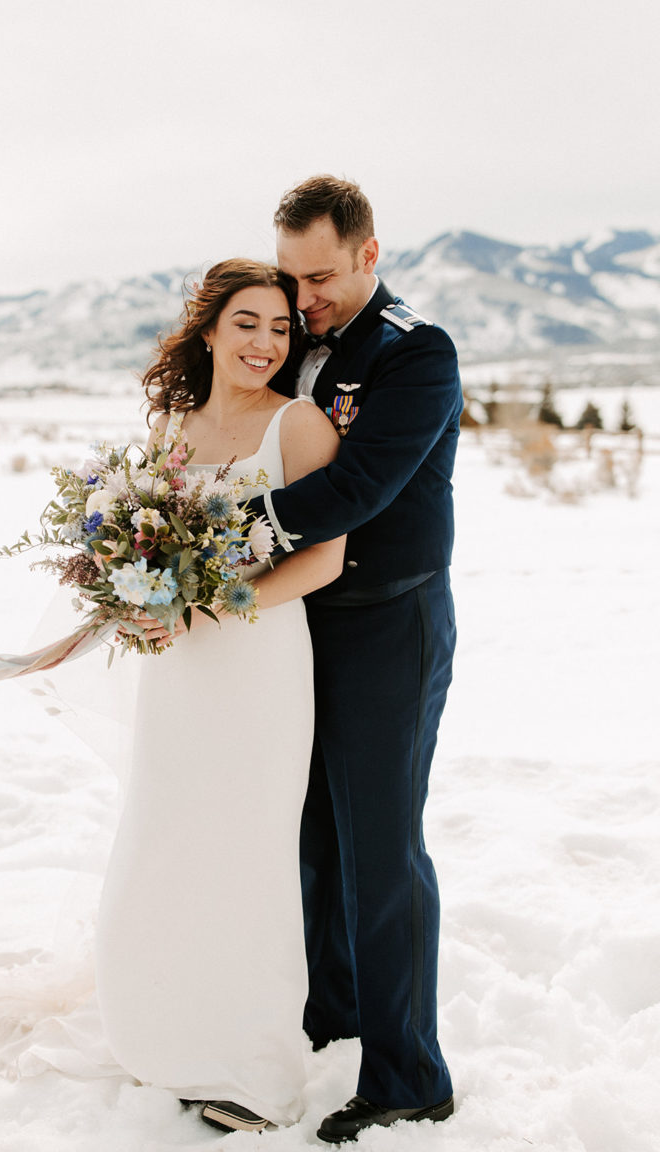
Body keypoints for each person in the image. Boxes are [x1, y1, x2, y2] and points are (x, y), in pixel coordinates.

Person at [95, 258, 346, 1133]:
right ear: (208, 330)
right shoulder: (172, 424)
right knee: (167, 839)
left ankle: (256, 1074)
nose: (266, 343)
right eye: (248, 323)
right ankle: (166, 1039)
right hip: (177, 670)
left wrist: (210, 605)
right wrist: (136, 595)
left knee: (250, 855)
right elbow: (144, 541)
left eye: (281, 328)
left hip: (260, 663)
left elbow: (324, 560)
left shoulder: (298, 424)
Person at [246, 175, 462, 1143]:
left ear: (370, 254)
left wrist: (222, 535)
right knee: (311, 839)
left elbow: (359, 488)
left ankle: (409, 1073)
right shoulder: (294, 345)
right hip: (301, 626)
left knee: (381, 849)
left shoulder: (418, 354)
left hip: (390, 627)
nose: (303, 299)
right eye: (290, 277)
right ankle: (329, 1013)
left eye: (321, 277)